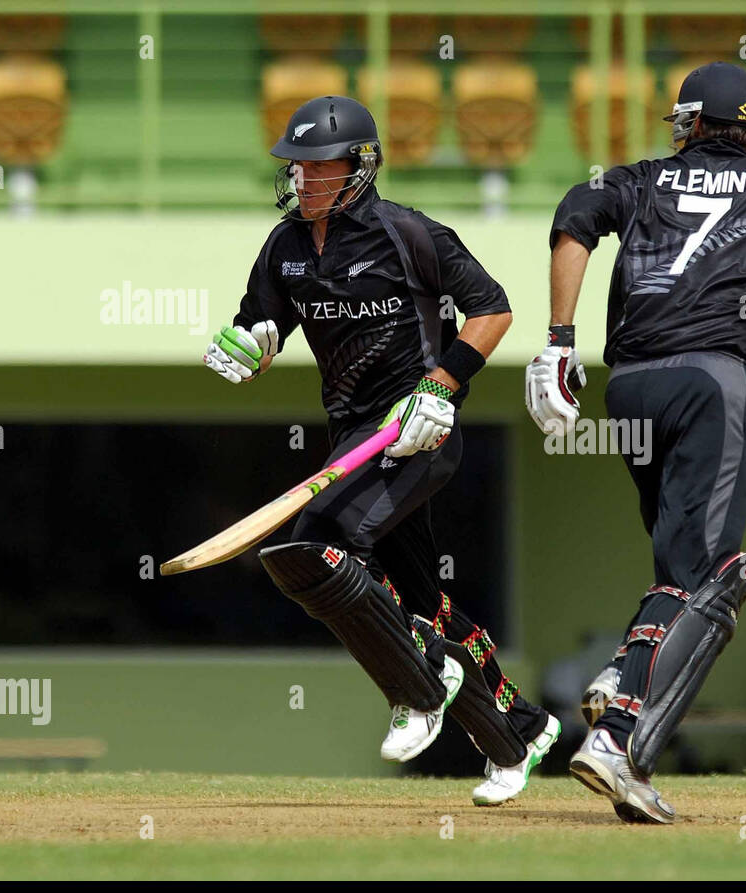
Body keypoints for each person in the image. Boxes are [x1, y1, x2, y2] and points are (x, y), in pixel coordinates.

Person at [525, 62, 746, 822]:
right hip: (717, 384)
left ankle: (622, 680)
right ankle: (617, 736)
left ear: (692, 124)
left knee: (675, 561)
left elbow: (574, 215)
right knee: (704, 577)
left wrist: (556, 342)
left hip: (632, 387)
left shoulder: (643, 179)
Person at [203, 95, 559, 804]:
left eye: (316, 167)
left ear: (360, 167)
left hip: (416, 432)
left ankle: (420, 684)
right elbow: (261, 323)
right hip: (352, 440)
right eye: (294, 168)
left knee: (318, 544)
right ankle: (519, 731)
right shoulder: (285, 247)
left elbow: (492, 309)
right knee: (426, 599)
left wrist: (440, 387)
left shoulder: (409, 235)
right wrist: (246, 344)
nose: (300, 180)